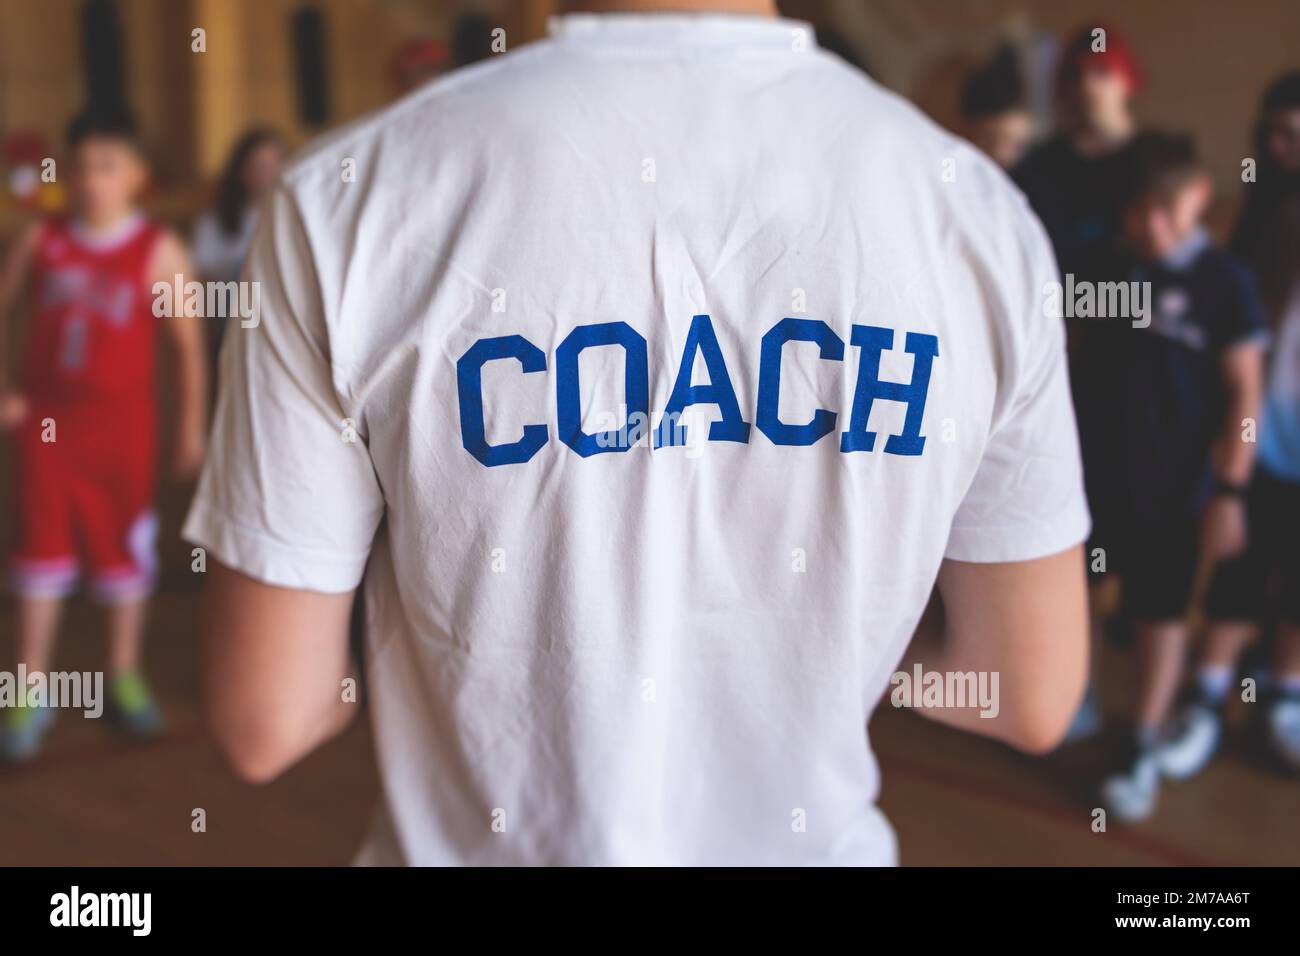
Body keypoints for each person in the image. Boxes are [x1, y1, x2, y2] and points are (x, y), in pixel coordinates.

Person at [187, 0, 1089, 865]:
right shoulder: (977, 218)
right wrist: (839, 661)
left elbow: (267, 719)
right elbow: (1028, 693)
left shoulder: (348, 200)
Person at [0, 109, 207, 761]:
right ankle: (28, 690)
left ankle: (122, 676)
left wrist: (190, 428)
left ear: (137, 176)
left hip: (123, 429)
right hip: (48, 425)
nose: (93, 180)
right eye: (83, 166)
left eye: (108, 166)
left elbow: (189, 350)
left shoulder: (160, 250)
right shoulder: (41, 239)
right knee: (40, 550)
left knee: (125, 554)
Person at [1072, 132, 1266, 821]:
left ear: (1198, 199)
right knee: (1078, 595)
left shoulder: (1223, 285)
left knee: (1159, 616)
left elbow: (1246, 392)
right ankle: (1079, 702)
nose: (1150, 226)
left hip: (1173, 492)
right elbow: (1072, 354)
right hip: (1092, 480)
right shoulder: (1104, 267)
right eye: (1135, 212)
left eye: (1165, 210)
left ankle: (1141, 743)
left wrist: (1232, 490)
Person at [1160, 71, 1300, 779]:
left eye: (1294, 137)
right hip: (1261, 441)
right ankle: (1209, 698)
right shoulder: (1256, 225)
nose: (1281, 150)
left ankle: (1283, 697)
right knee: (1238, 570)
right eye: (1273, 135)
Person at [1013, 23, 1141, 278]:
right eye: (1075, 74)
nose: (1087, 85)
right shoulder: (1037, 169)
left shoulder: (1154, 163)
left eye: (1102, 71)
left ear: (1127, 80)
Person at [959, 44, 1032, 171]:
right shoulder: (949, 166)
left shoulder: (1031, 175)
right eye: (991, 140)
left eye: (1017, 145)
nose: (1003, 155)